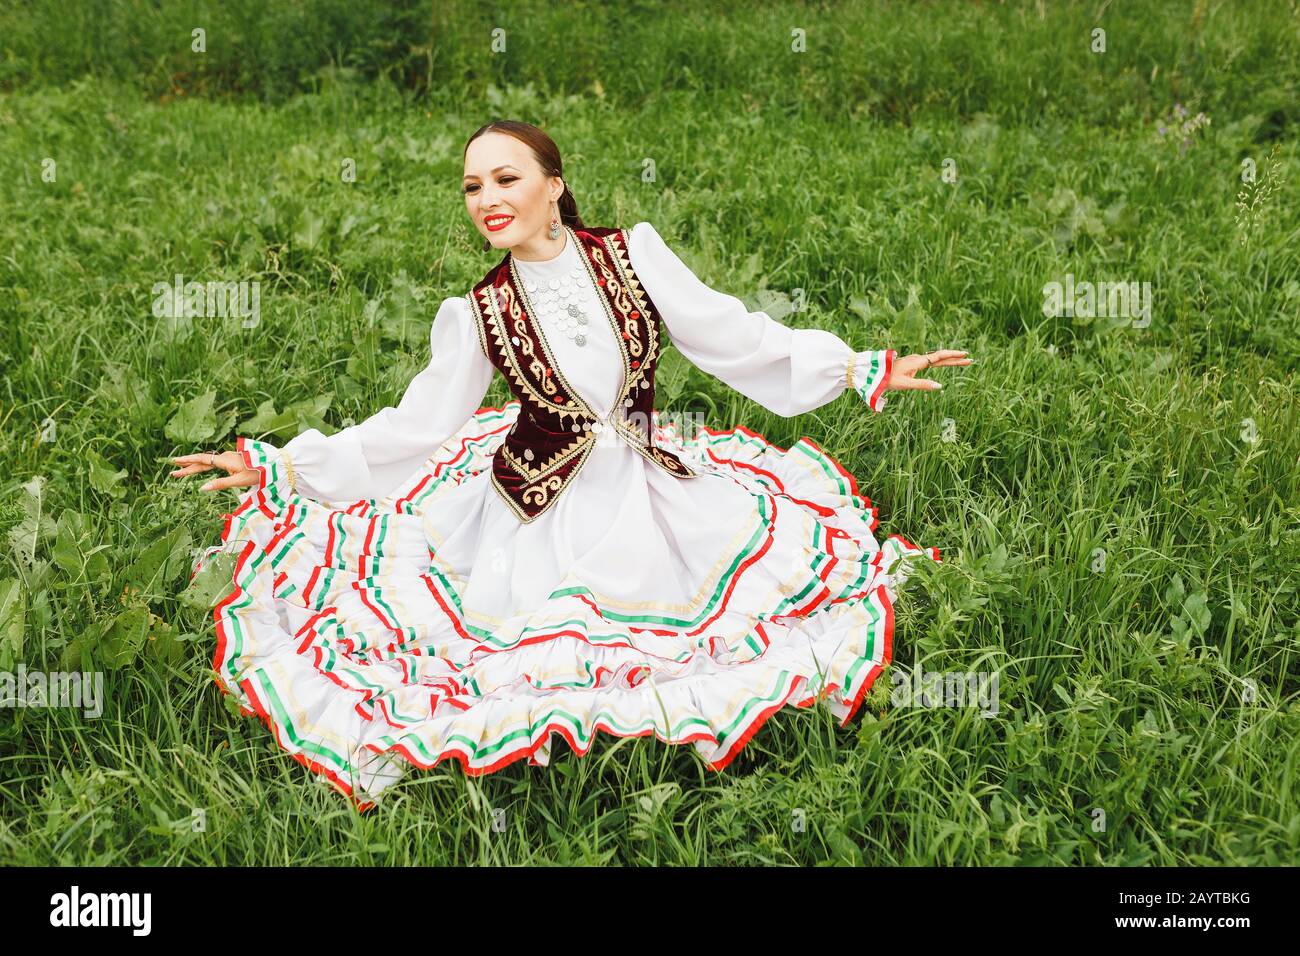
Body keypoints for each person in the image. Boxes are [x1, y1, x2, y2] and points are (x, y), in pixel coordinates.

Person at [169, 120, 970, 809]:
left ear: (554, 185)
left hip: (646, 485)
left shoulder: (633, 256)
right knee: (524, 637)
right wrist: (287, 465)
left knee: (713, 601)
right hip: (533, 505)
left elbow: (734, 335)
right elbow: (418, 427)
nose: (488, 198)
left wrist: (860, 366)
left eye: (507, 178)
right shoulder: (478, 311)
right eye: (472, 185)